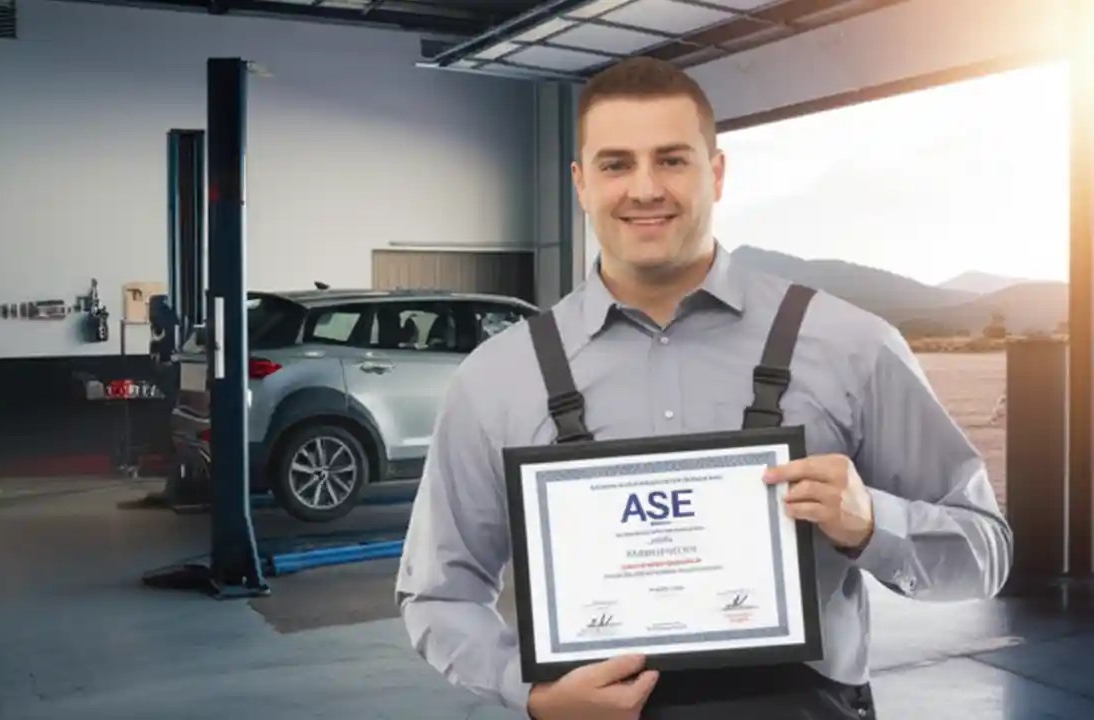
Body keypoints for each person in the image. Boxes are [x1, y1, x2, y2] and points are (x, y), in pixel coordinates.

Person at [394, 56, 1012, 719]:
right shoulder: (496, 378)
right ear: (580, 183)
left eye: (672, 159)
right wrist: (533, 692)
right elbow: (437, 593)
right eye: (615, 164)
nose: (644, 188)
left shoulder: (852, 346)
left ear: (715, 172)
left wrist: (872, 523)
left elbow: (986, 554)